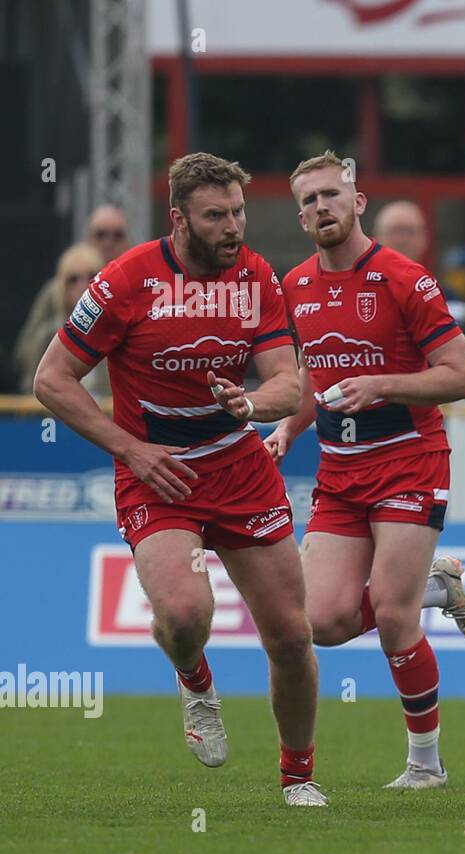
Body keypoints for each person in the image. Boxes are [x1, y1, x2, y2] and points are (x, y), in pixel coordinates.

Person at [32, 153, 326, 806]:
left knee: (290, 634)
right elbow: (51, 379)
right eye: (216, 216)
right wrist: (128, 449)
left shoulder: (256, 278)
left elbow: (288, 381)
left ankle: (298, 777)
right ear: (179, 220)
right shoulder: (125, 281)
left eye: (239, 213)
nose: (233, 227)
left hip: (241, 470)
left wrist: (250, 403)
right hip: (156, 473)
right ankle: (196, 685)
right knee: (186, 613)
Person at [267, 150, 465, 791]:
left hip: (410, 459)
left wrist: (383, 385)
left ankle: (426, 764)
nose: (320, 209)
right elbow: (314, 375)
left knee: (393, 617)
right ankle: (434, 585)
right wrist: (287, 427)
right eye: (307, 201)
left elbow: (463, 376)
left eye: (331, 195)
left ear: (357, 202)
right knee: (324, 624)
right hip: (340, 469)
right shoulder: (296, 284)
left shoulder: (404, 278)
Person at [15, 243, 107, 396]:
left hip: (106, 410)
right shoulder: (48, 313)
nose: (83, 285)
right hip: (50, 414)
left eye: (91, 277)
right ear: (62, 286)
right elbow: (24, 353)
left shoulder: (115, 325)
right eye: (73, 279)